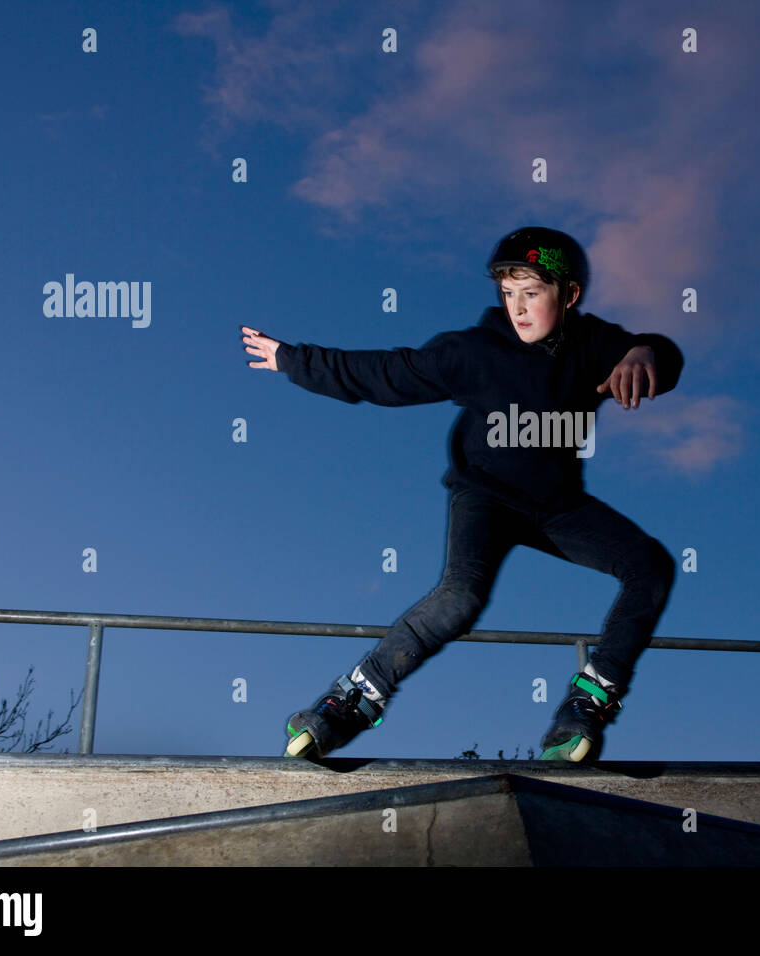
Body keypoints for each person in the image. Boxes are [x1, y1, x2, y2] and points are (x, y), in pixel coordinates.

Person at [240, 226, 684, 762]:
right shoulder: (472, 353)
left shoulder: (593, 344)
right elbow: (385, 374)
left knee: (651, 566)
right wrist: (295, 359)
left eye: (533, 293)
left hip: (557, 506)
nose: (518, 308)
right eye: (508, 293)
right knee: (462, 597)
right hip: (487, 495)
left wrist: (644, 354)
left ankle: (588, 702)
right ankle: (349, 701)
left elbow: (662, 352)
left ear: (568, 295)